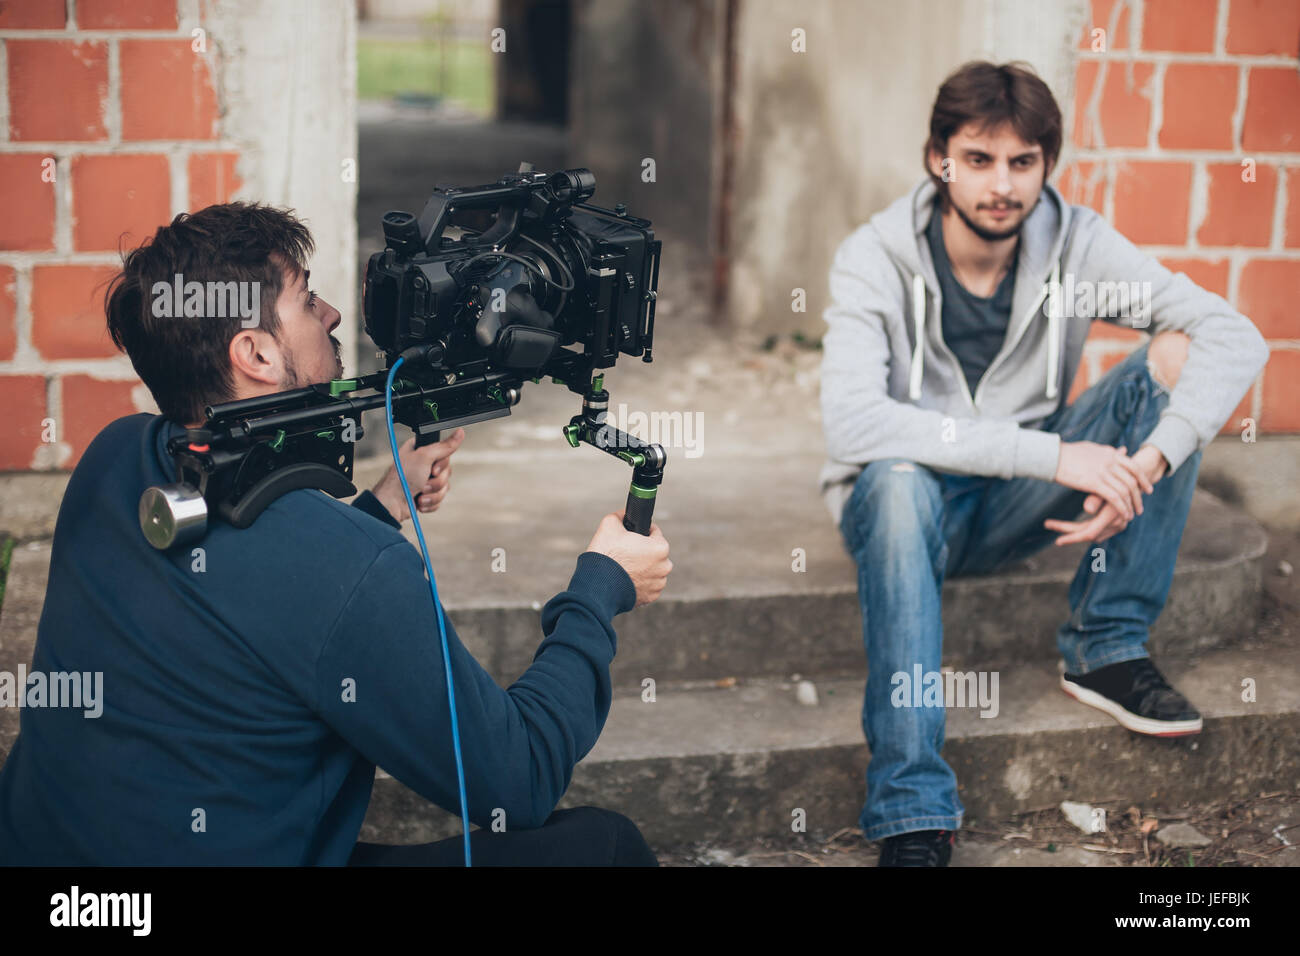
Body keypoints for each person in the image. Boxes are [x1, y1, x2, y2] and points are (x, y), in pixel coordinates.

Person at [0, 202, 671, 866]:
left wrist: (378, 510)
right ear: (256, 353)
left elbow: (258, 587)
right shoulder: (353, 571)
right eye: (308, 300)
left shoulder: (113, 458)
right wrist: (600, 587)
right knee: (602, 849)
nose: (332, 315)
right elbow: (517, 779)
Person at [818, 61, 1269, 867]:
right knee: (892, 479)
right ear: (939, 160)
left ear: (1046, 167)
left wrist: (1149, 462)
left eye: (1023, 162)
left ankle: (1108, 646)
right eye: (980, 159)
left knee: (1174, 352)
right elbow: (854, 422)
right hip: (904, 511)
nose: (1003, 184)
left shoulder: (1076, 242)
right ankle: (912, 805)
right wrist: (1060, 453)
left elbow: (1233, 333)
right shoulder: (874, 256)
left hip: (1014, 505)